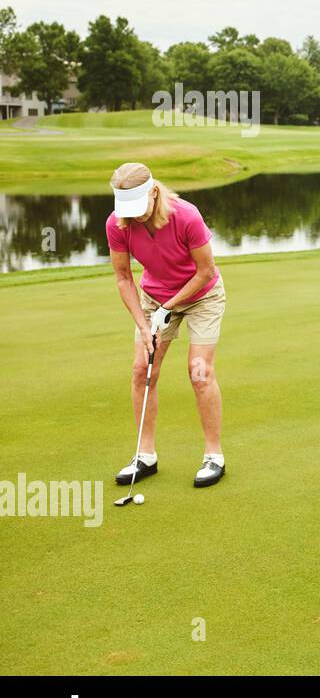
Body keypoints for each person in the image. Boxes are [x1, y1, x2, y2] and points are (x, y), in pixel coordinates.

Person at [106, 162, 227, 489]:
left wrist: (169, 308)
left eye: (138, 207)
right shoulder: (119, 223)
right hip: (153, 296)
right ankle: (145, 456)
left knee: (199, 371)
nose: (134, 216)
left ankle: (214, 456)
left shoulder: (186, 216)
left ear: (154, 192)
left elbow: (205, 271)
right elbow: (123, 277)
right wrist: (144, 325)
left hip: (202, 296)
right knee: (141, 371)